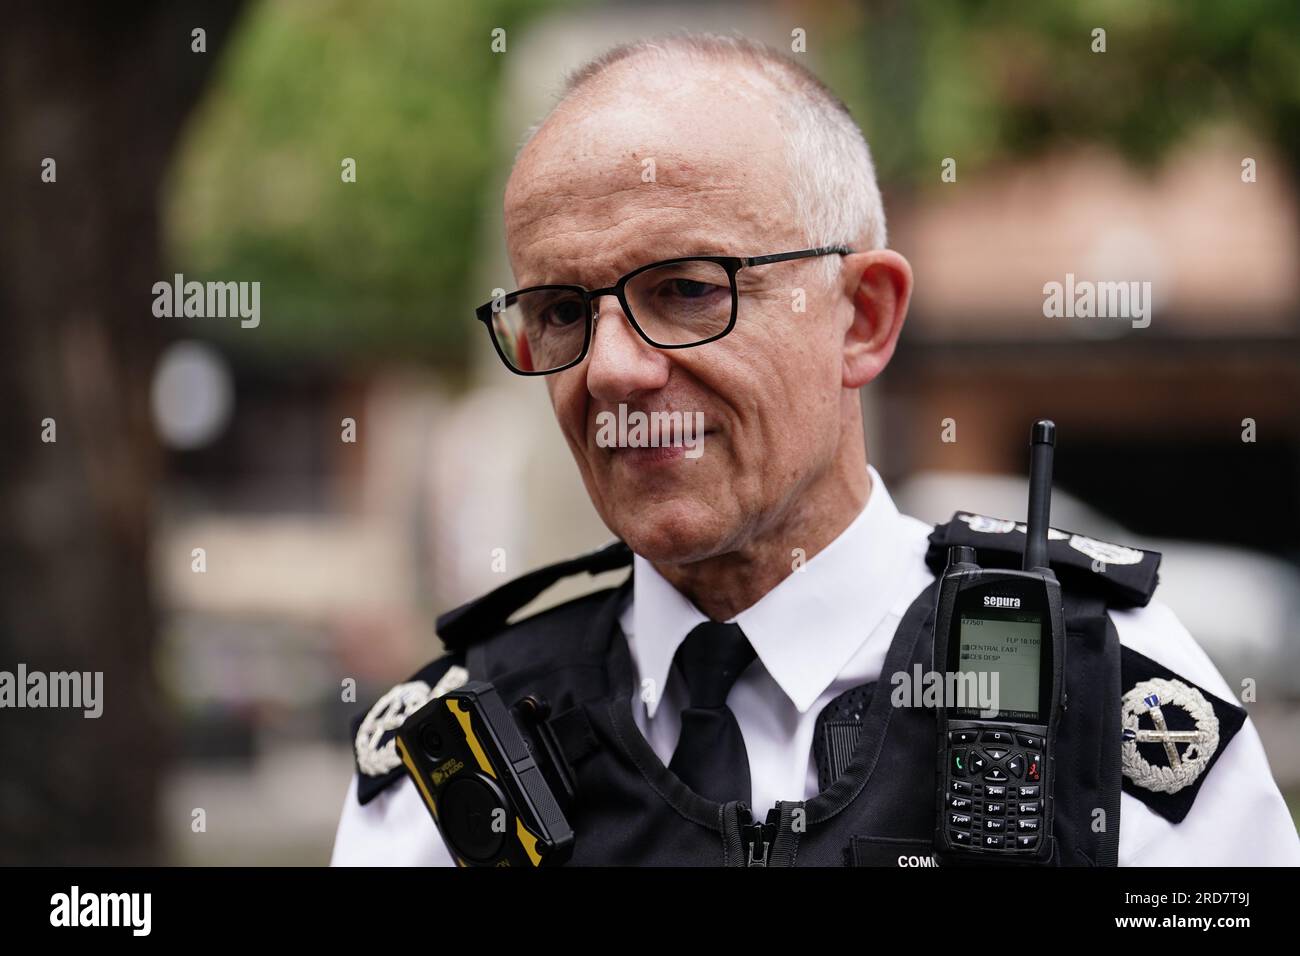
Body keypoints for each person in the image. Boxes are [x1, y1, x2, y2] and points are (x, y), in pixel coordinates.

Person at [330, 33, 1299, 866]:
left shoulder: (1098, 681)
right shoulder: (461, 745)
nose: (613, 369)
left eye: (685, 288)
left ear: (863, 318)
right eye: (560, 310)